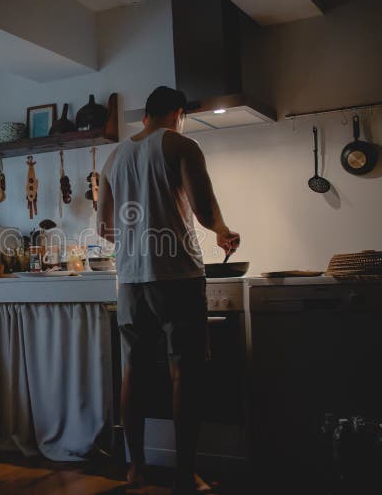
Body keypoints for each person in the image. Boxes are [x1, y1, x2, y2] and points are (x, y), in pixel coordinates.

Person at [97, 86, 240, 494]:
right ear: (178, 113)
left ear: (145, 116)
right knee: (185, 374)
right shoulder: (181, 145)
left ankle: (136, 469)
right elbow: (204, 209)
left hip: (131, 282)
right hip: (177, 277)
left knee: (134, 372)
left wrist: (137, 237)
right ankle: (183, 476)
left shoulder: (115, 156)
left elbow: (105, 227)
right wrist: (224, 232)